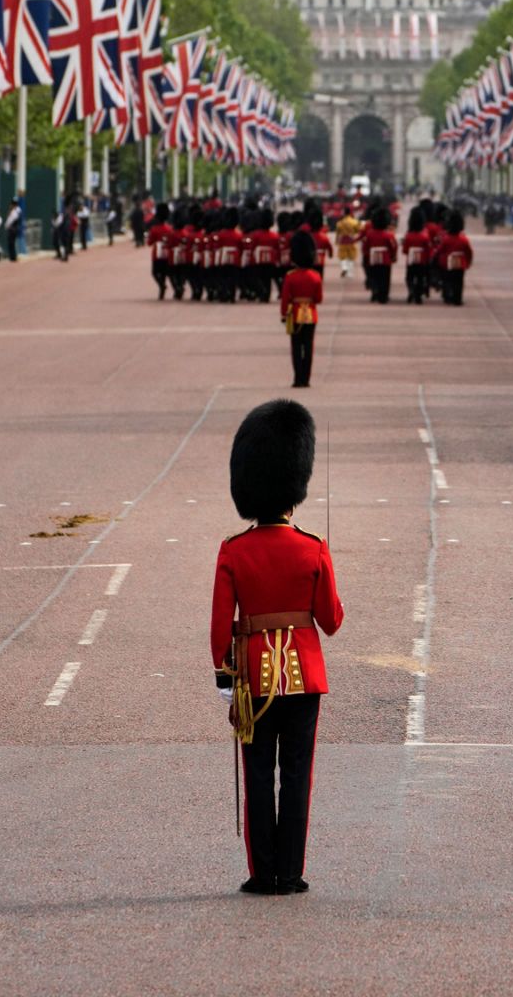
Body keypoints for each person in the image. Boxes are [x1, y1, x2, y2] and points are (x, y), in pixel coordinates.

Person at [210, 399, 343, 896]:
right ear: (295, 489)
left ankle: (262, 874)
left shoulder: (234, 551)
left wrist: (226, 683)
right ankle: (291, 872)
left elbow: (221, 627)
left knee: (259, 773)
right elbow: (330, 621)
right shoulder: (314, 548)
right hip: (304, 676)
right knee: (297, 776)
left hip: (252, 679)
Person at [280, 230, 322, 388]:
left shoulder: (290, 276)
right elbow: (318, 299)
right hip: (311, 313)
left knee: (296, 346)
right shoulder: (315, 276)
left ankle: (298, 379)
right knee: (309, 346)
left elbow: (285, 299)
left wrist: (284, 314)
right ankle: (306, 378)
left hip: (294, 313)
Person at [437, 210, 474, 305]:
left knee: (448, 280)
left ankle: (447, 296)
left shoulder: (446, 238)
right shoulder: (464, 239)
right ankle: (457, 299)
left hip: (448, 262)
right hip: (460, 262)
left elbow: (440, 250)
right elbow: (468, 252)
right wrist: (468, 262)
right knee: (459, 282)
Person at [362, 207, 398, 303]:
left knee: (374, 276)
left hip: (373, 258)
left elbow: (365, 247)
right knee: (385, 278)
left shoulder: (369, 234)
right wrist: (393, 256)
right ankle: (384, 295)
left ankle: (375, 292)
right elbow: (393, 247)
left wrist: (366, 256)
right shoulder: (388, 235)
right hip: (385, 259)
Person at [402, 207, 430, 304]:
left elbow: (405, 250)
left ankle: (411, 291)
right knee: (420, 278)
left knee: (409, 277)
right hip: (422, 260)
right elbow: (428, 249)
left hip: (411, 259)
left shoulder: (408, 235)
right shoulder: (424, 235)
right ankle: (418, 295)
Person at [335, 206, 361, 278]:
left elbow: (337, 233)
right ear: (350, 213)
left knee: (342, 256)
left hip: (343, 241)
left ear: (344, 213)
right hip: (351, 240)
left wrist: (336, 241)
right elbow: (358, 230)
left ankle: (344, 268)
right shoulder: (354, 222)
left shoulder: (339, 223)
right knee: (351, 256)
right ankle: (349, 271)